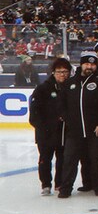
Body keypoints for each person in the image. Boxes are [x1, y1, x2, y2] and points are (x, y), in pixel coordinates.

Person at [57, 53, 98, 198]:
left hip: (94, 131)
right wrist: (68, 119)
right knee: (70, 160)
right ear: (81, 65)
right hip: (74, 132)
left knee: (95, 159)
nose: (90, 67)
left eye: (93, 64)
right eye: (87, 64)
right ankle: (65, 189)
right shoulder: (70, 83)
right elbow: (62, 105)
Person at [29, 57, 71, 195]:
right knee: (45, 159)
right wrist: (44, 128)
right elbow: (34, 114)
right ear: (53, 72)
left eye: (65, 71)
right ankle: (45, 184)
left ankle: (59, 183)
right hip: (45, 133)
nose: (62, 74)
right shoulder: (42, 89)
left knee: (62, 159)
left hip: (63, 132)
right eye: (59, 71)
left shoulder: (71, 88)